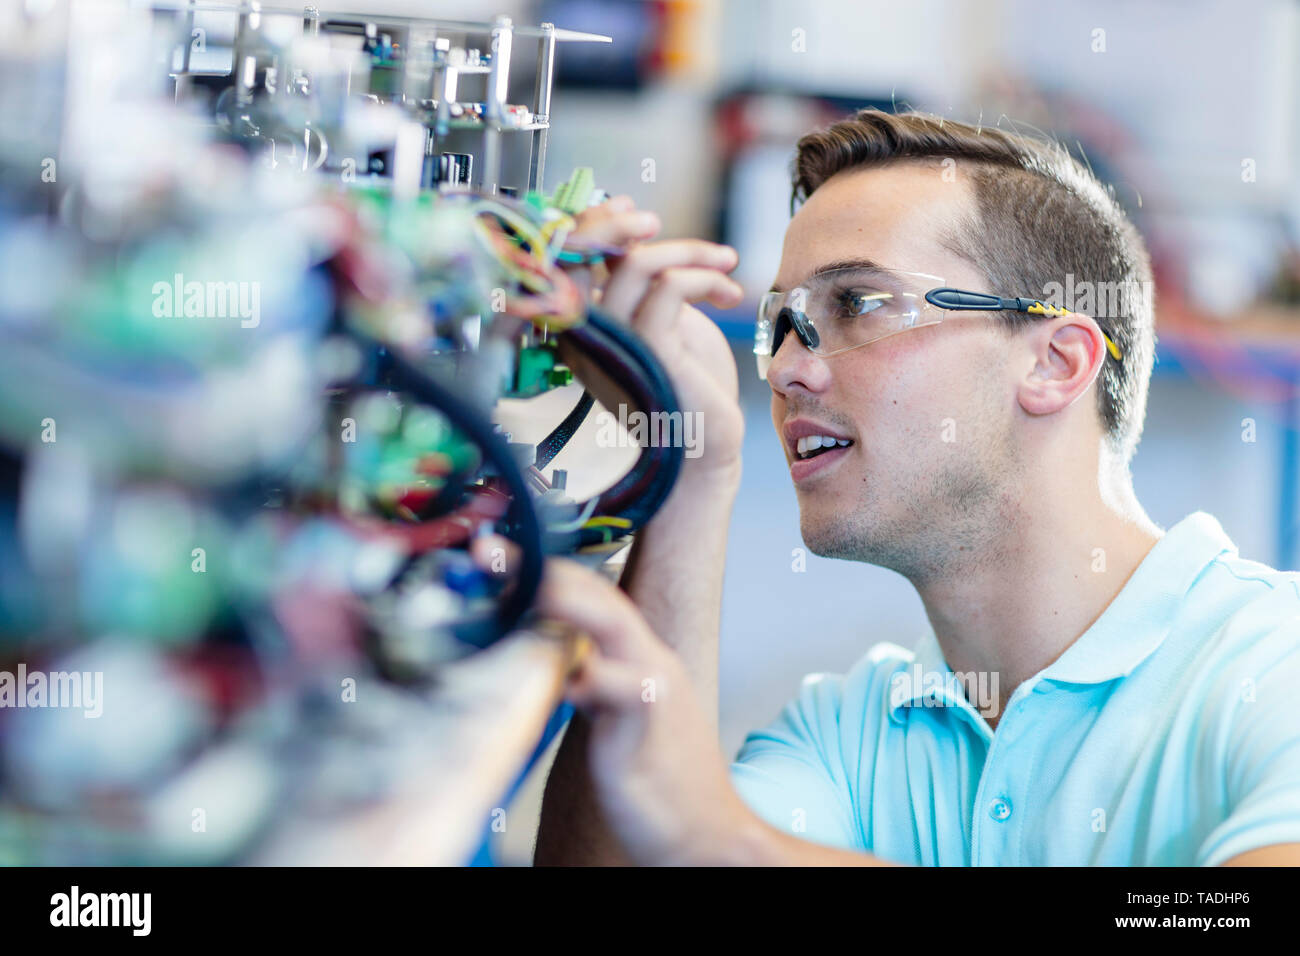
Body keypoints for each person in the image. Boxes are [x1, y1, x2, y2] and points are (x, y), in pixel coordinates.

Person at [529, 109, 1300, 866]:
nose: (789, 369)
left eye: (857, 303)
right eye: (783, 326)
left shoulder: (1271, 664)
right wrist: (694, 469)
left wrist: (723, 838)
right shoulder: (849, 734)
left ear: (1056, 363)